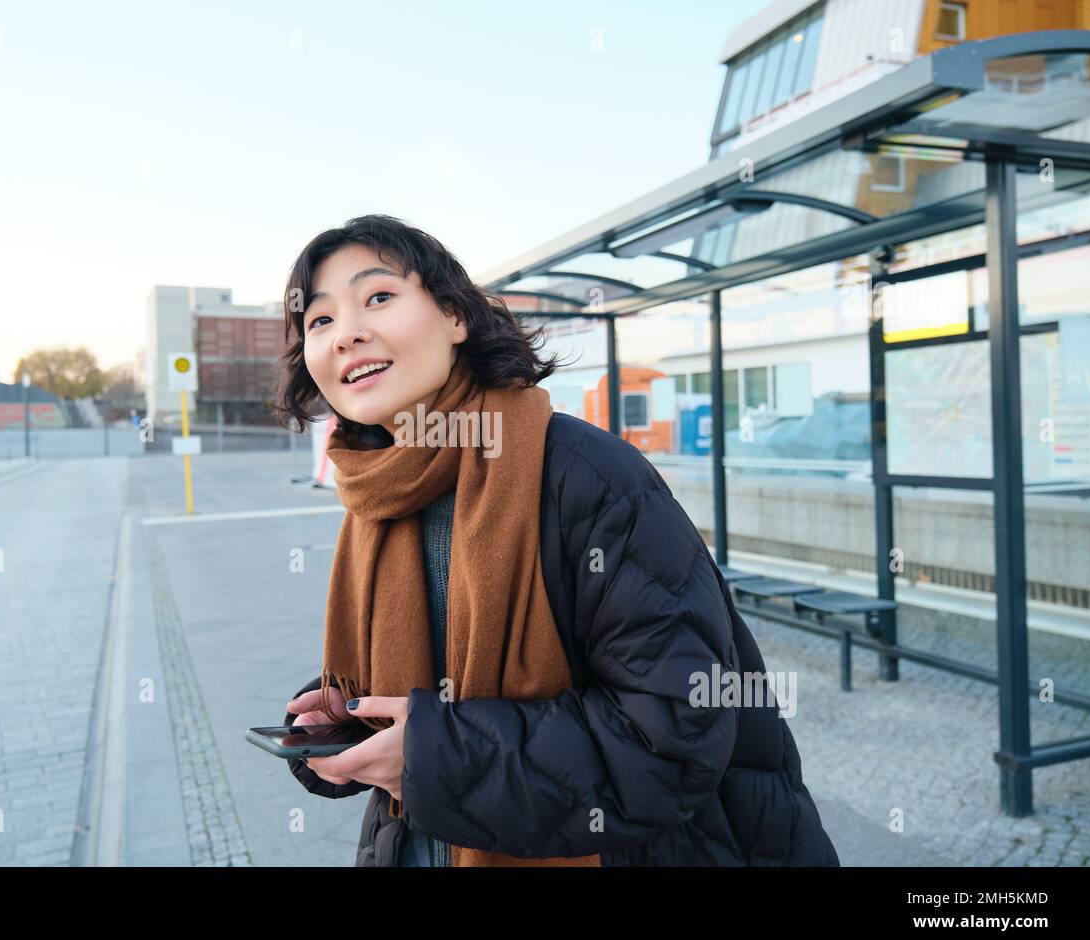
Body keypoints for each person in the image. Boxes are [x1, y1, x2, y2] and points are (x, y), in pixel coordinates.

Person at [268, 213, 840, 867]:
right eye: (320, 320)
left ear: (455, 316)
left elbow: (675, 735)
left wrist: (436, 753)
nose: (348, 333)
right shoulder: (376, 494)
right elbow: (437, 678)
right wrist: (347, 719)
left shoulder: (586, 476)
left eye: (378, 297)